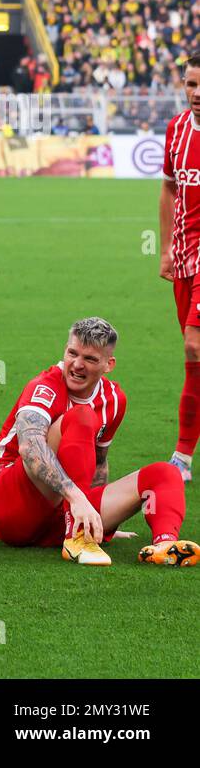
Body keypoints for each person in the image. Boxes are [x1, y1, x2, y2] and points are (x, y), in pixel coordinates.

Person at [0, 318, 197, 567]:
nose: (77, 365)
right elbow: (30, 448)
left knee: (165, 473)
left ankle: (164, 545)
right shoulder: (44, 386)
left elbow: (99, 463)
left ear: (109, 364)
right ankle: (78, 536)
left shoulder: (114, 399)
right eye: (72, 353)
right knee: (81, 416)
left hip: (58, 515)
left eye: (90, 359)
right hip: (8, 506)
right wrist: (78, 500)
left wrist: (101, 520)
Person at [159, 53, 200, 482]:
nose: (197, 93)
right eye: (191, 84)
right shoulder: (177, 129)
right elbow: (169, 189)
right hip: (185, 257)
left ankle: (182, 456)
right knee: (195, 358)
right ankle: (184, 457)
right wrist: (167, 250)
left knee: (194, 345)